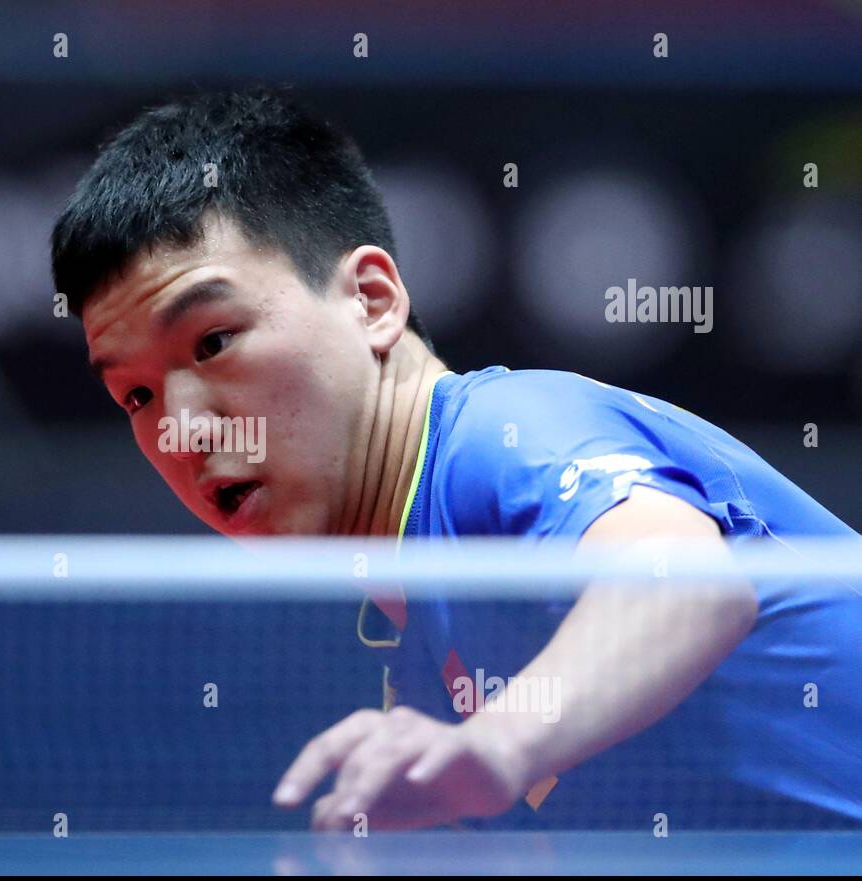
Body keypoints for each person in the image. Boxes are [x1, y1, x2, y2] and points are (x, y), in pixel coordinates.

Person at [50, 86, 862, 830]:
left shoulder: (501, 436)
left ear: (372, 300)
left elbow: (688, 587)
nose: (182, 429)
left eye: (214, 341)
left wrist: (501, 746)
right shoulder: (418, 626)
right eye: (138, 397)